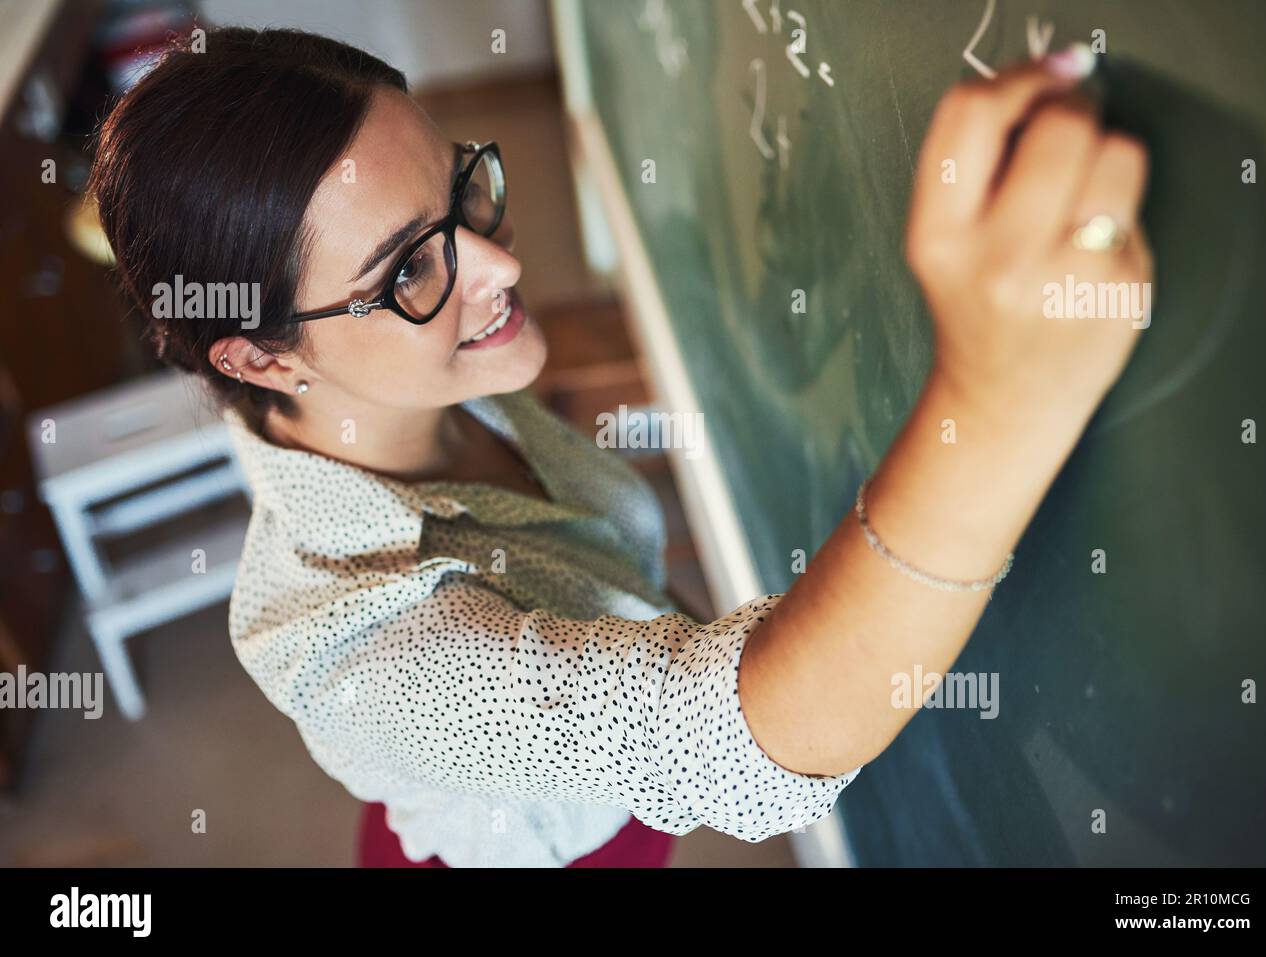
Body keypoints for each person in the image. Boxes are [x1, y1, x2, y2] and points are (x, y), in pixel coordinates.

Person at [87, 28, 1150, 867]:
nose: (498, 270)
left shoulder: (405, 383)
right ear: (264, 360)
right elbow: (753, 744)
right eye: (409, 271)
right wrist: (998, 399)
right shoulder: (356, 655)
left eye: (462, 191)